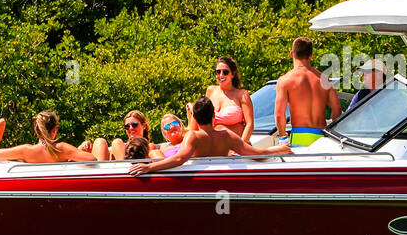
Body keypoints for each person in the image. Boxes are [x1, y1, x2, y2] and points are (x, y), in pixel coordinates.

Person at [129, 97, 290, 175]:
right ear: (214, 116)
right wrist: (278, 150)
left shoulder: (194, 136)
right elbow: (255, 154)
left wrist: (149, 167)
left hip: (201, 179)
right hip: (223, 179)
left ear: (196, 119)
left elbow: (179, 159)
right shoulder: (227, 135)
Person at [275, 37, 341, 147]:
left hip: (300, 136)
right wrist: (333, 132)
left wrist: (283, 137)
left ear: (292, 54)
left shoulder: (285, 80)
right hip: (322, 137)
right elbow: (337, 109)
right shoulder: (324, 79)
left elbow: (279, 114)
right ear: (311, 55)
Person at [0, 110, 96, 163]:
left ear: (36, 130)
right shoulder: (61, 149)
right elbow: (92, 159)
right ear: (55, 130)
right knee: (100, 142)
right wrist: (76, 152)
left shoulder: (26, 151)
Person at [204, 55, 253, 140]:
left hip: (236, 146)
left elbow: (250, 124)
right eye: (218, 72)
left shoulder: (242, 94)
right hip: (213, 145)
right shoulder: (210, 91)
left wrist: (241, 147)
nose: (221, 75)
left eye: (225, 72)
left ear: (233, 74)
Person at [82, 109, 158, 160]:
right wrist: (85, 147)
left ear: (144, 126)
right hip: (111, 175)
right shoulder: (120, 146)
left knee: (117, 142)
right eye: (127, 126)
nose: (130, 128)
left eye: (134, 125)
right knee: (100, 141)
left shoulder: (150, 146)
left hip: (132, 175)